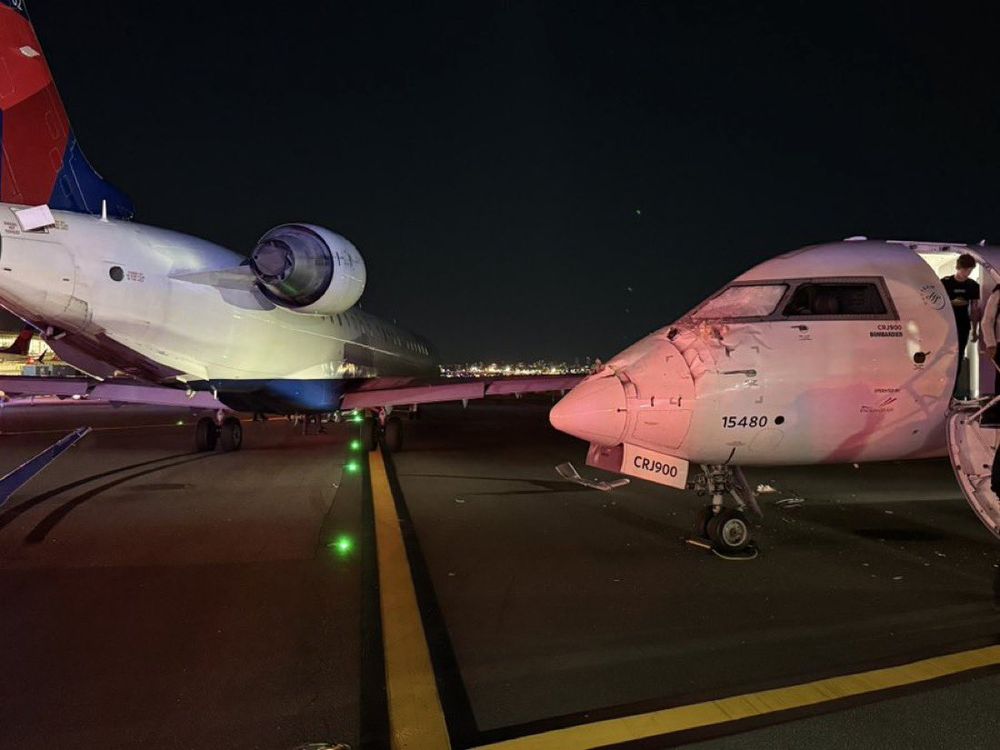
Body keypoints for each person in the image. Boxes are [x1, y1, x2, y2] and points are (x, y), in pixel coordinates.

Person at [942, 254, 981, 396]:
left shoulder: (972, 286)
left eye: (970, 271)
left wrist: (975, 330)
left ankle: (953, 391)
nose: (967, 273)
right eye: (965, 270)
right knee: (944, 355)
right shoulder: (945, 283)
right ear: (959, 268)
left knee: (958, 357)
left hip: (963, 325)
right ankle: (941, 387)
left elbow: (975, 309)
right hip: (946, 326)